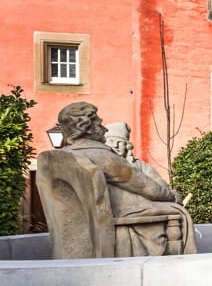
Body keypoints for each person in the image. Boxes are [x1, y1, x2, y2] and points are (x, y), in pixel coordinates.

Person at [55, 102, 197, 256]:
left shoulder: (62, 156)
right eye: (99, 122)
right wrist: (172, 196)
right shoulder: (101, 155)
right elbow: (149, 188)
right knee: (178, 211)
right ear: (86, 126)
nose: (105, 129)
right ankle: (176, 264)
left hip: (87, 225)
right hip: (121, 216)